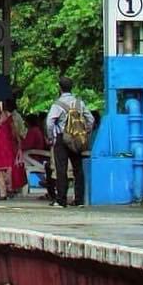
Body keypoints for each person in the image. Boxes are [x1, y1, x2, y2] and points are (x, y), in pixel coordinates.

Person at [45, 76, 94, 207]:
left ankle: (61, 200)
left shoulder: (58, 104)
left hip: (62, 138)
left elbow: (50, 122)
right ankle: (79, 200)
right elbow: (91, 119)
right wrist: (84, 132)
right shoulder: (79, 103)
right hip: (77, 139)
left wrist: (51, 136)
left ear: (59, 88)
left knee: (61, 169)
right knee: (78, 169)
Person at [0, 100, 24, 199]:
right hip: (2, 145)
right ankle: (7, 190)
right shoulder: (6, 116)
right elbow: (14, 131)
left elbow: (13, 131)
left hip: (0, 145)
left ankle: (4, 191)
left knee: (0, 169)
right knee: (5, 168)